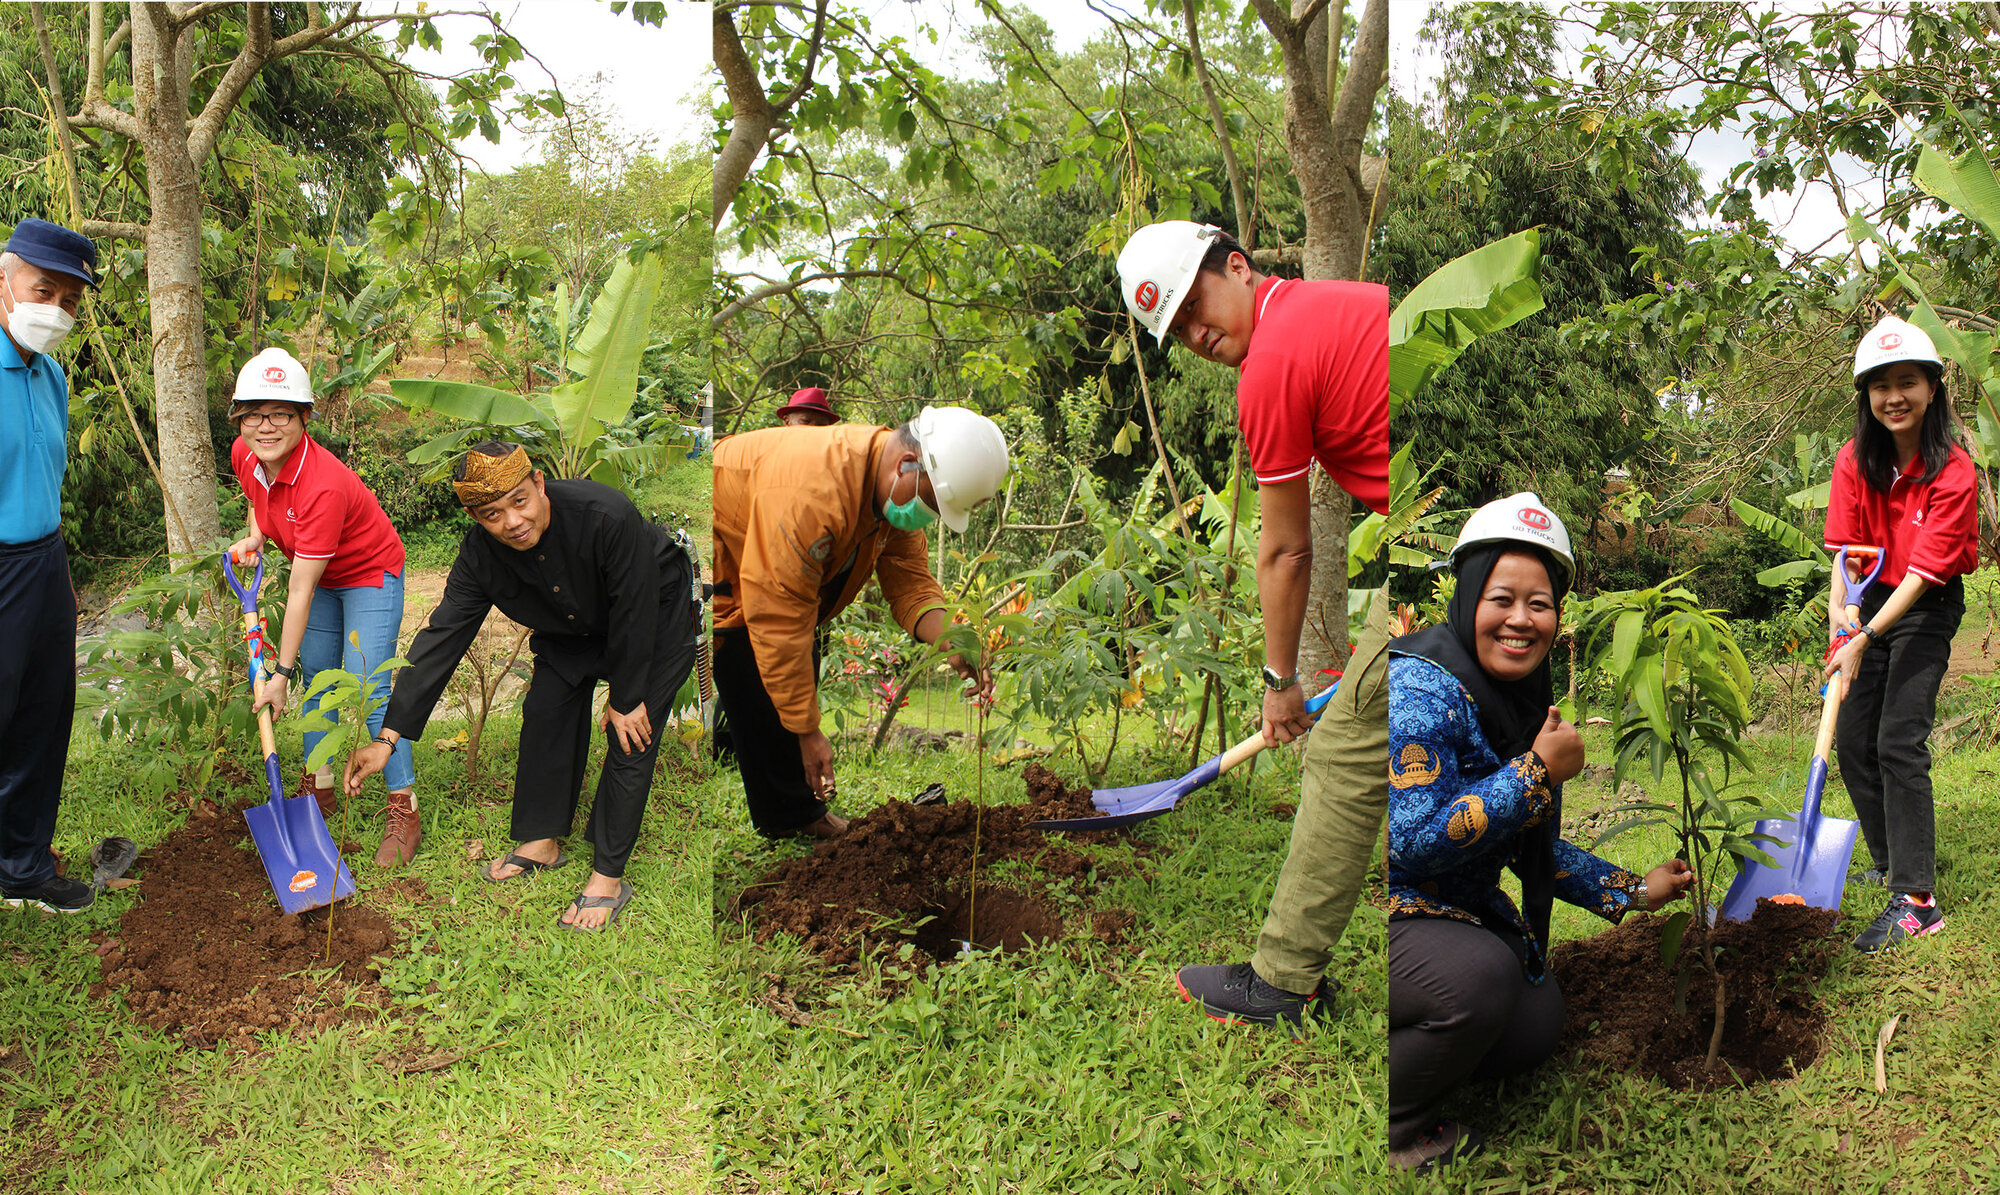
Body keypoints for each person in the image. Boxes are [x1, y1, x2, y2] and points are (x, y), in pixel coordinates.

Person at [1116, 220, 1389, 1033]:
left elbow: (1285, 550)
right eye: (1182, 333)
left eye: (1200, 305)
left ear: (1237, 266)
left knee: (1344, 748)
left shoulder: (1267, 367)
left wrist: (1280, 683)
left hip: (1441, 551)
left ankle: (1281, 982)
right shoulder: (1333, 306)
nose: (1200, 335)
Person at [1385, 496, 1694, 1172]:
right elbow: (1407, 842)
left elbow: (1526, 847)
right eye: (1503, 598)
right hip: (1382, 914)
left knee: (1535, 1019)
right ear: (1468, 596)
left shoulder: (1517, 693)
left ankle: (1427, 1036)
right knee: (1481, 982)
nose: (1522, 620)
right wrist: (1533, 772)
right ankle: (1399, 1126)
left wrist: (1635, 889)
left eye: (1541, 602)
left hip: (1450, 914)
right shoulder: (1419, 687)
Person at [343, 442, 697, 930]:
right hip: (571, 629)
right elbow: (442, 637)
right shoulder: (480, 557)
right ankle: (541, 839)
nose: (512, 521)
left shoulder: (604, 515)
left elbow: (636, 609)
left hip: (654, 618)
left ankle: (607, 877)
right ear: (474, 516)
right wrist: (388, 737)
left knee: (631, 733)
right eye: (492, 513)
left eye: (519, 501)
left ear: (539, 484)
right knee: (547, 712)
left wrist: (627, 696)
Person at [711, 405, 1006, 838]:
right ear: (907, 464)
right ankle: (790, 819)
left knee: (798, 663)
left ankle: (796, 815)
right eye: (931, 504)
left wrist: (953, 640)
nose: (927, 516)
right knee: (752, 670)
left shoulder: (890, 488)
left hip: (770, 578)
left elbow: (911, 584)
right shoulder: (809, 491)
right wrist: (809, 733)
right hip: (724, 564)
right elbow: (777, 617)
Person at [224, 348, 417, 867]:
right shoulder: (248, 454)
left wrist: (279, 672)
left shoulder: (323, 484)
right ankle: (321, 786)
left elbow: (300, 592)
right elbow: (257, 496)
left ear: (305, 418)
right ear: (240, 419)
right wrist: (257, 535)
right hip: (320, 573)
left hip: (367, 574)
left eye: (281, 414)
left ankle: (404, 805)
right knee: (322, 682)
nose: (266, 427)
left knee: (369, 686)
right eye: (254, 414)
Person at [1823, 315, 1977, 953]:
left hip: (1926, 602)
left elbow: (1920, 576)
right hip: (1871, 596)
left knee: (1898, 739)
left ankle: (1918, 902)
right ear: (1867, 396)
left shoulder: (1955, 471)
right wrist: (1841, 617)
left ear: (1933, 389)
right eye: (1880, 385)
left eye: (1907, 382)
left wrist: (1867, 637)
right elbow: (1848, 554)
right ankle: (1889, 861)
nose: (1893, 397)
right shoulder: (1855, 460)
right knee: (1855, 739)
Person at [0, 218, 95, 914]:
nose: (55, 310)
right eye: (44, 290)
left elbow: (46, 476)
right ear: (4, 278)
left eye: (69, 300)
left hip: (45, 560)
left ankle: (22, 865)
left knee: (41, 716)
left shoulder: (52, 375)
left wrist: (56, 569)